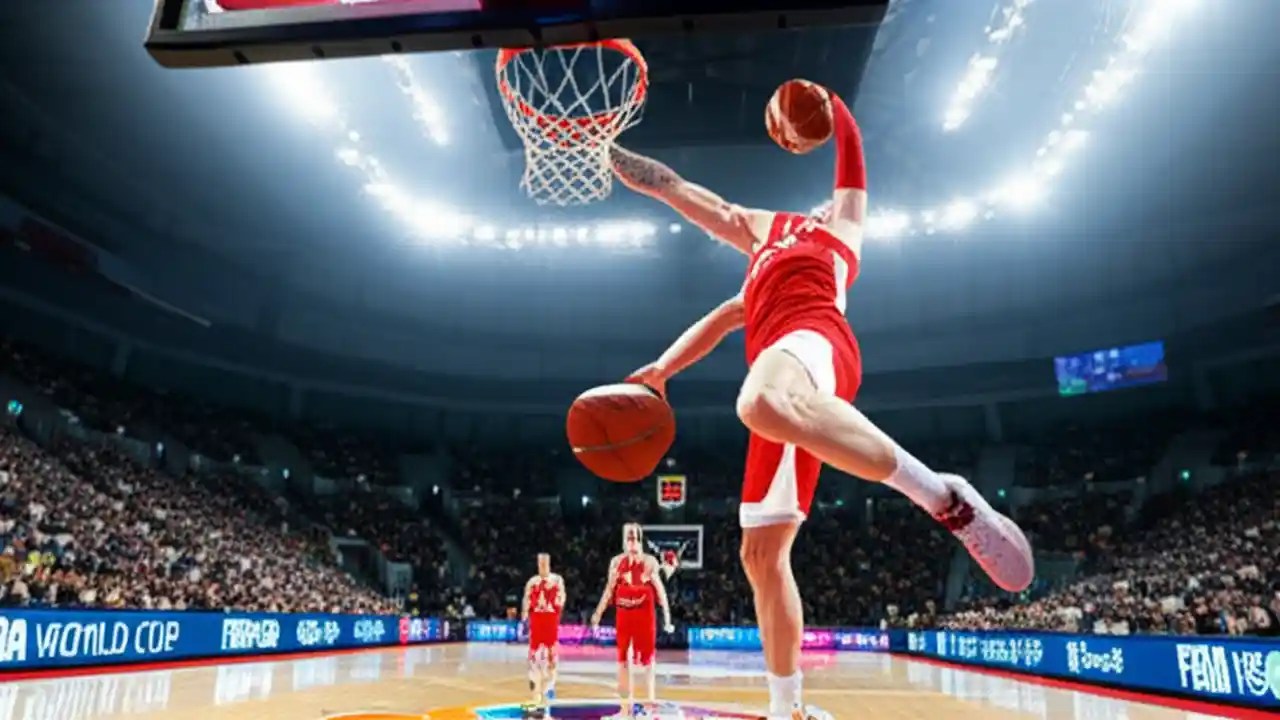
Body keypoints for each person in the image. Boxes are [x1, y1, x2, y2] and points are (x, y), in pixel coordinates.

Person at [610, 82, 1034, 720]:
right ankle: (789, 710)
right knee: (761, 556)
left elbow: (852, 164)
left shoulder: (841, 230)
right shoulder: (762, 241)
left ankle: (941, 494)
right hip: (785, 382)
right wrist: (664, 368)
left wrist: (833, 108)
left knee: (758, 403)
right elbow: (681, 196)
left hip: (816, 343)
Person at [590, 523, 675, 718]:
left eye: (636, 538)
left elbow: (661, 591)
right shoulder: (616, 563)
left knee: (647, 663)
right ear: (624, 542)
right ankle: (625, 709)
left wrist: (667, 616)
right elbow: (609, 589)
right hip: (624, 616)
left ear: (641, 541)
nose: (632, 542)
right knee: (622, 662)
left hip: (645, 617)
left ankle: (649, 708)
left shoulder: (650, 562)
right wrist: (598, 612)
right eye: (629, 538)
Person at [522, 552, 566, 708]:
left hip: (550, 622)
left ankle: (551, 686)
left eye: (545, 563)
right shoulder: (532, 582)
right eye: (540, 563)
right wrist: (524, 616)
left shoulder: (556, 580)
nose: (542, 565)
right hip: (537, 623)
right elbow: (526, 599)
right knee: (534, 658)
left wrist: (555, 607)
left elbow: (562, 599)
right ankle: (536, 693)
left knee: (552, 656)